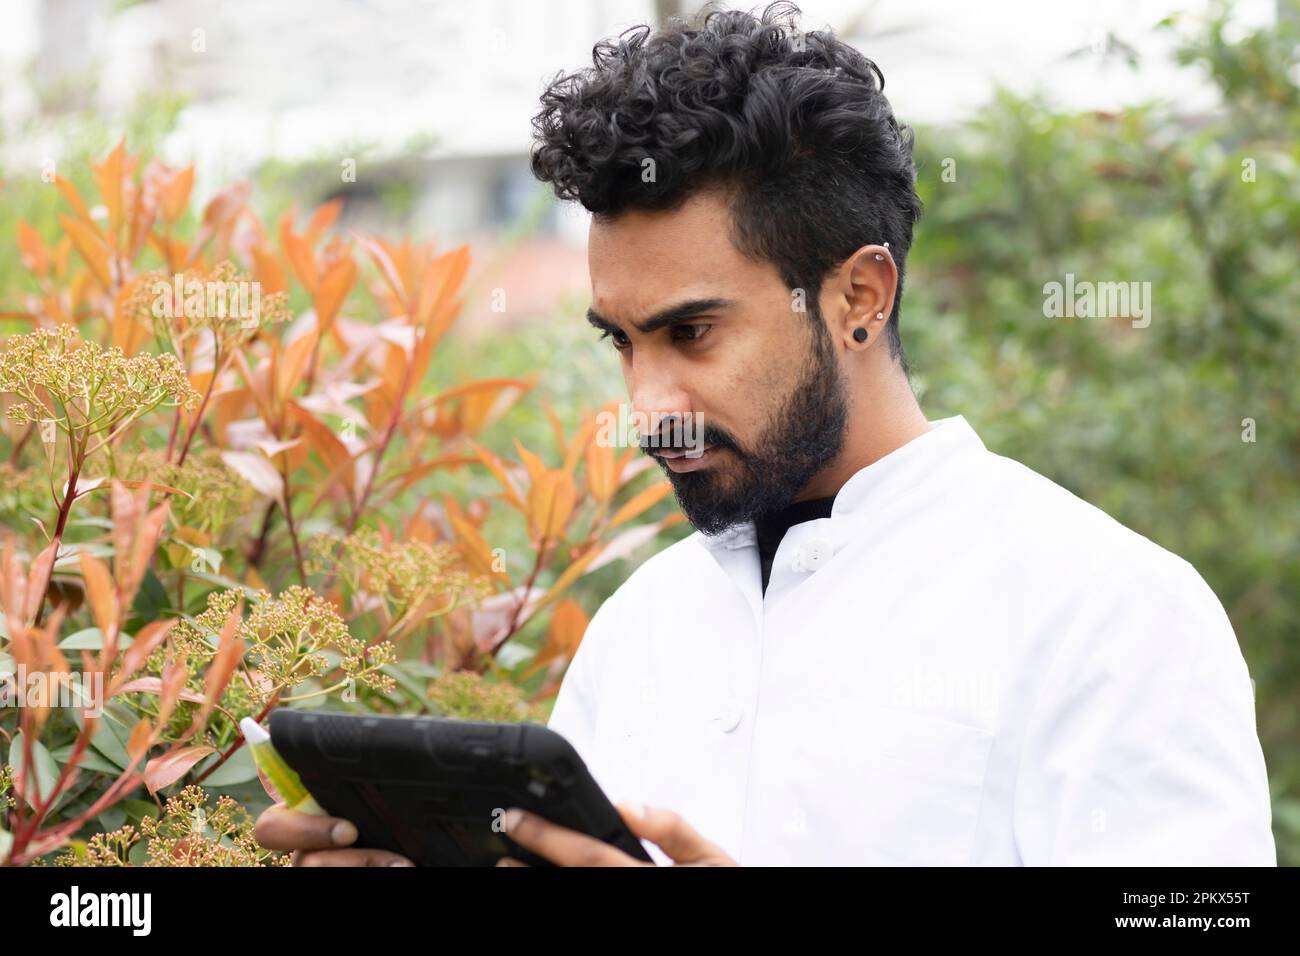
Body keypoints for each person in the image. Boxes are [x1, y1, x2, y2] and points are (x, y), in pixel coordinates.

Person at [254, 3, 1275, 866]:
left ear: (858, 296)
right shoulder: (638, 629)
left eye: (691, 332)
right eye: (619, 341)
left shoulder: (1111, 611)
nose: (646, 402)